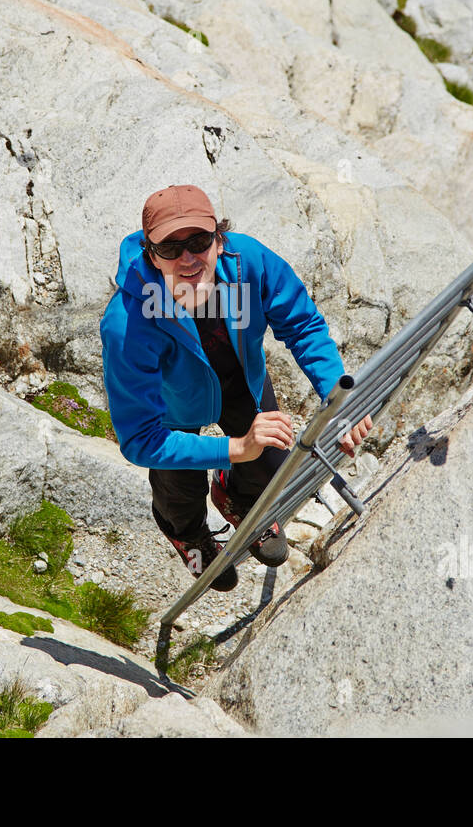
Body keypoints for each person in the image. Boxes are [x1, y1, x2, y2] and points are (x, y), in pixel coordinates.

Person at [99, 184, 372, 591]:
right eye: (171, 249)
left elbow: (302, 325)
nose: (188, 258)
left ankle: (236, 497)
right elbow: (141, 439)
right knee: (179, 490)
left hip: (242, 380)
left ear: (218, 238)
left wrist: (340, 403)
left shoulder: (249, 263)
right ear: (151, 255)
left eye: (198, 241)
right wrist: (236, 448)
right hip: (173, 409)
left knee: (272, 465)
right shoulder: (127, 323)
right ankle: (188, 534)